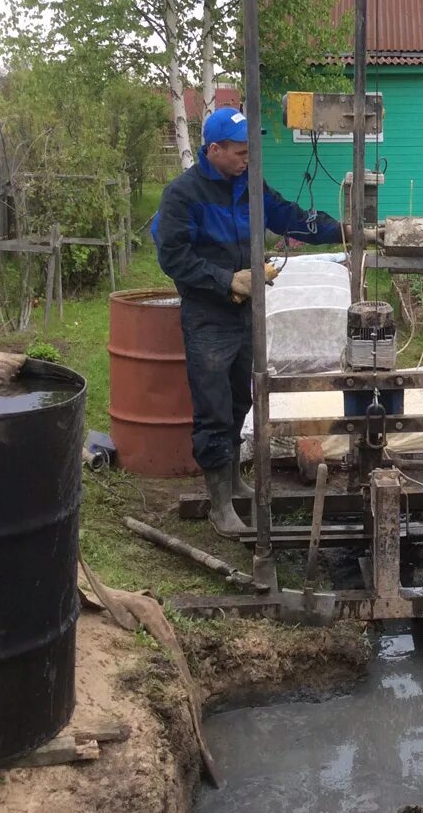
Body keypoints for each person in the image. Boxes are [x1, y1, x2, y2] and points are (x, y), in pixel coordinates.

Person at [152, 107, 346, 535]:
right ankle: (220, 505)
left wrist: (344, 231)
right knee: (213, 406)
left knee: (241, 397)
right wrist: (227, 280)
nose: (248, 159)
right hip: (208, 315)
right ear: (214, 150)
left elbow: (288, 216)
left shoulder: (249, 185)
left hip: (245, 312)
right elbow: (174, 257)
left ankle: (234, 482)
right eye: (241, 153)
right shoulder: (183, 195)